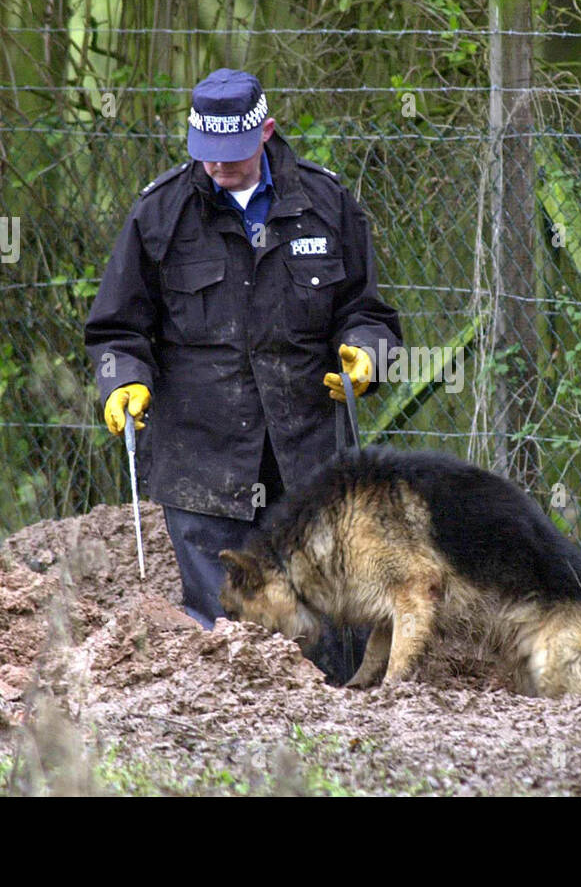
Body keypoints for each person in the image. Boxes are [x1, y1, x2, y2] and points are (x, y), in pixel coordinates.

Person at [85, 68, 402, 682]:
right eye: (207, 155)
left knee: (321, 618)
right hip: (201, 459)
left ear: (267, 132)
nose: (219, 168)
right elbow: (117, 329)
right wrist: (122, 378)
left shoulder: (326, 204)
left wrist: (367, 356)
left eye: (232, 156)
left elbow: (369, 312)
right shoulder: (159, 215)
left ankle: (331, 732)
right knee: (222, 633)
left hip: (308, 454)